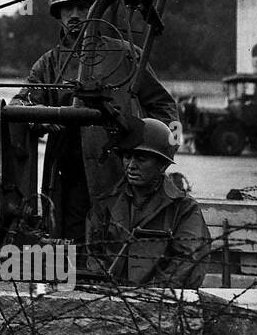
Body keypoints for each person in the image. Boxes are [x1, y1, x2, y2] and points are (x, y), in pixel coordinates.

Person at [11, 0, 178, 243]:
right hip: (67, 177)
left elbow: (165, 107)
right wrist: (38, 118)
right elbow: (21, 103)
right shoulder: (48, 65)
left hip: (119, 173)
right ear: (58, 14)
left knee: (118, 248)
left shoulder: (126, 54)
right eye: (68, 8)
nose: (75, 15)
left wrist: (163, 152)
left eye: (83, 6)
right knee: (71, 250)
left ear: (96, 10)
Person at [86, 119, 211, 288]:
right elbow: (94, 256)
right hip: (110, 297)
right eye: (127, 157)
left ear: (162, 165)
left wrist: (150, 295)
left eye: (141, 159)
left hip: (160, 302)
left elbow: (186, 260)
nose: (131, 166)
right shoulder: (105, 204)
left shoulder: (184, 209)